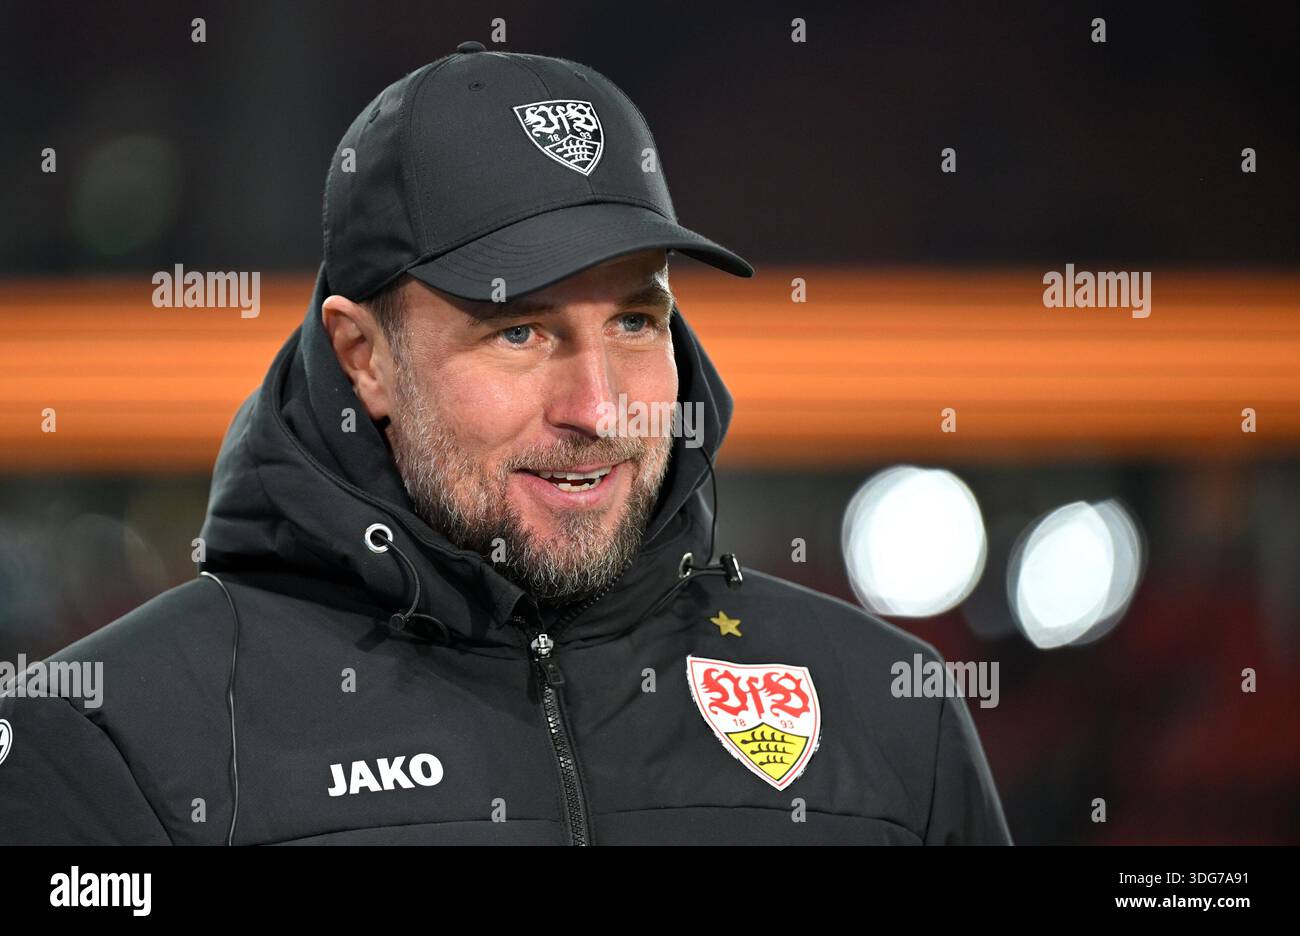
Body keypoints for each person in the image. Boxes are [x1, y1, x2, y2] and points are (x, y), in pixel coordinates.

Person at [0, 44, 1011, 845]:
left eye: (635, 321)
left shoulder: (890, 713)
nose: (599, 409)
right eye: (519, 332)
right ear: (364, 358)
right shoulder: (115, 740)